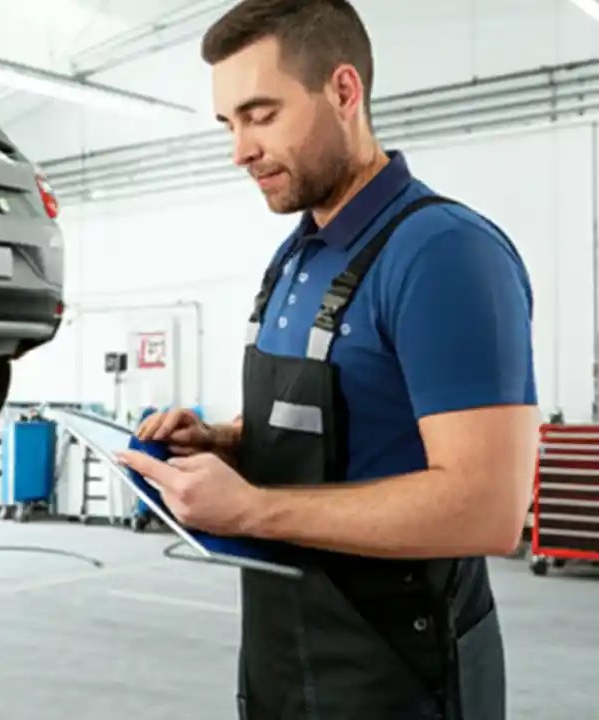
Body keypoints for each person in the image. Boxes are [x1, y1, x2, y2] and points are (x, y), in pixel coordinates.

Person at [114, 1, 539, 718]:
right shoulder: (296, 257)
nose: (240, 150)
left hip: (399, 684)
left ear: (344, 91)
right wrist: (225, 441)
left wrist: (254, 509)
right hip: (284, 670)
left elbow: (489, 508)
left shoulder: (444, 255)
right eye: (228, 124)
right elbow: (352, 425)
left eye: (261, 115)